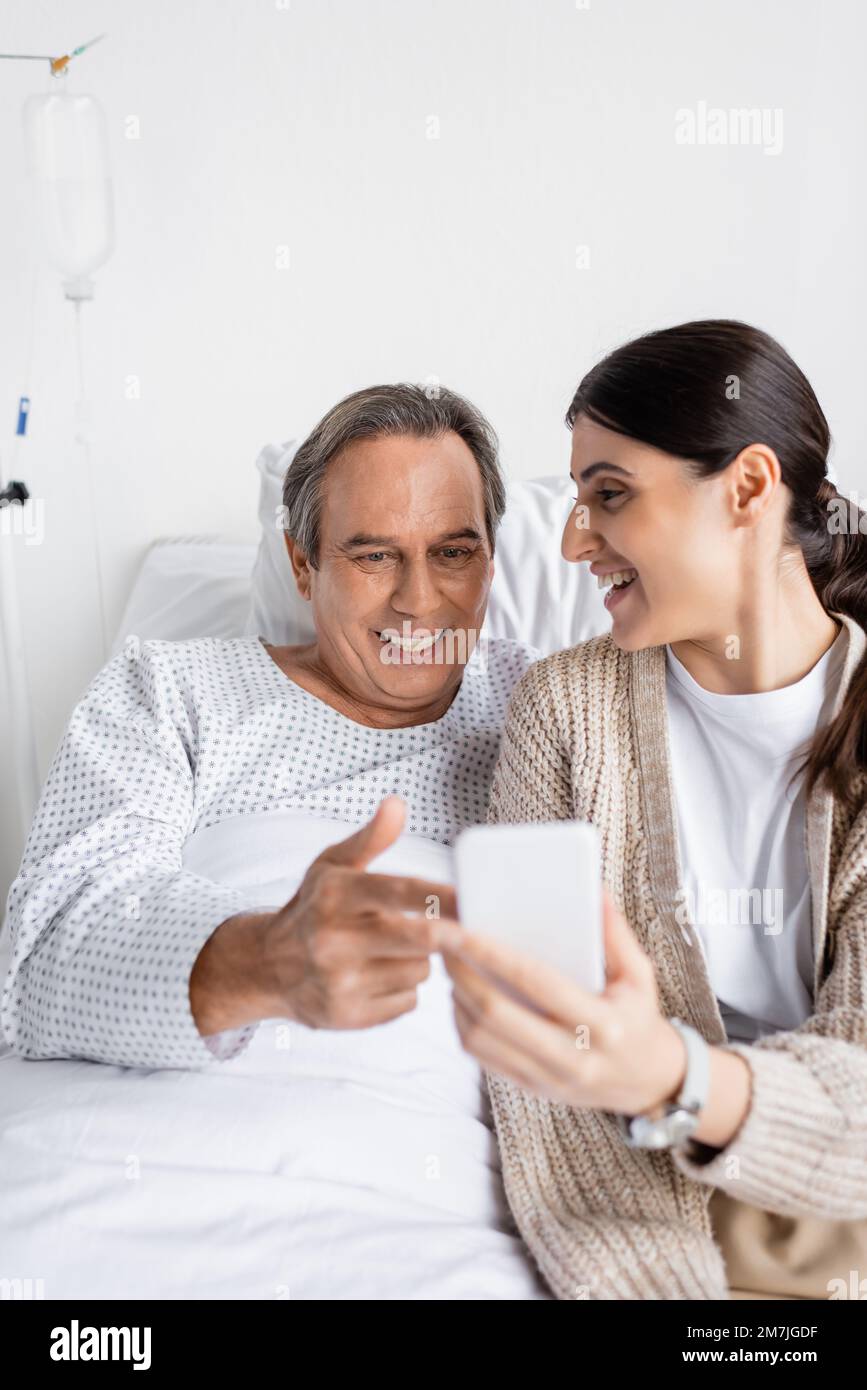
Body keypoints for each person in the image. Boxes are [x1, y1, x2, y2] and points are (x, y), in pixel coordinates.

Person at [0, 382, 564, 1299]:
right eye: (374, 554)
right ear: (302, 567)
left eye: (452, 553)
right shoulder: (172, 690)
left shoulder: (556, 712)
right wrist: (262, 959)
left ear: (492, 559)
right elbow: (43, 958)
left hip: (404, 1186)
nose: (419, 601)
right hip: (118, 1154)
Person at [441, 320, 867, 1300]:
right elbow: (543, 1082)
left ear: (751, 490)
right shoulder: (564, 710)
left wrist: (670, 1075)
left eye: (611, 494)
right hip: (652, 1235)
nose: (571, 539)